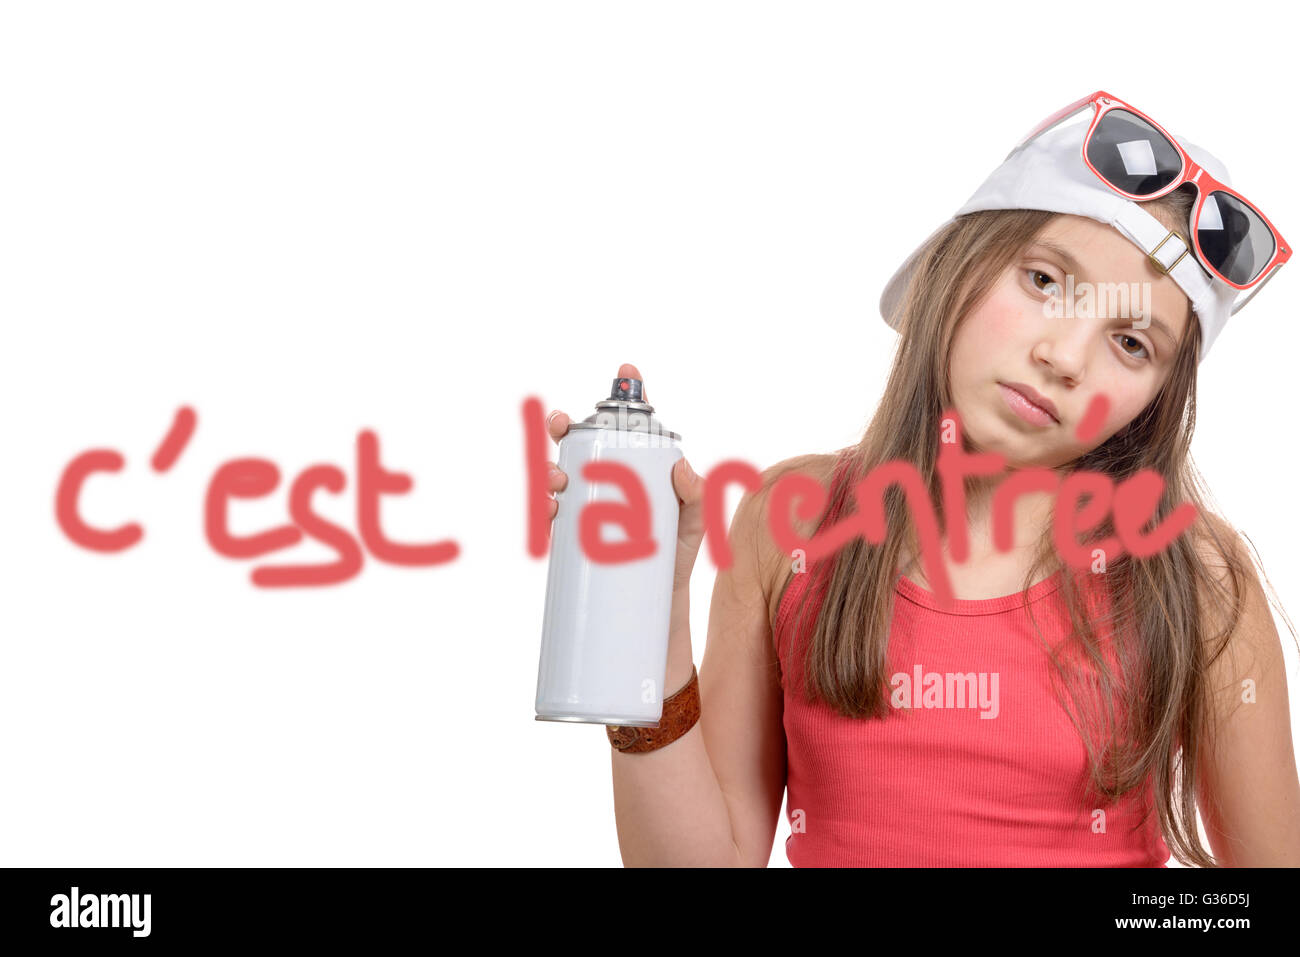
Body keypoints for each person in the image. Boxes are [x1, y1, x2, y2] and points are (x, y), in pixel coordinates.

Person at [542, 91, 1300, 867]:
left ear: (1157, 399)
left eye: (1133, 342)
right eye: (1044, 281)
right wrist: (649, 617)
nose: (1066, 358)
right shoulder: (791, 526)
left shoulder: (1195, 575)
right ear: (955, 264)